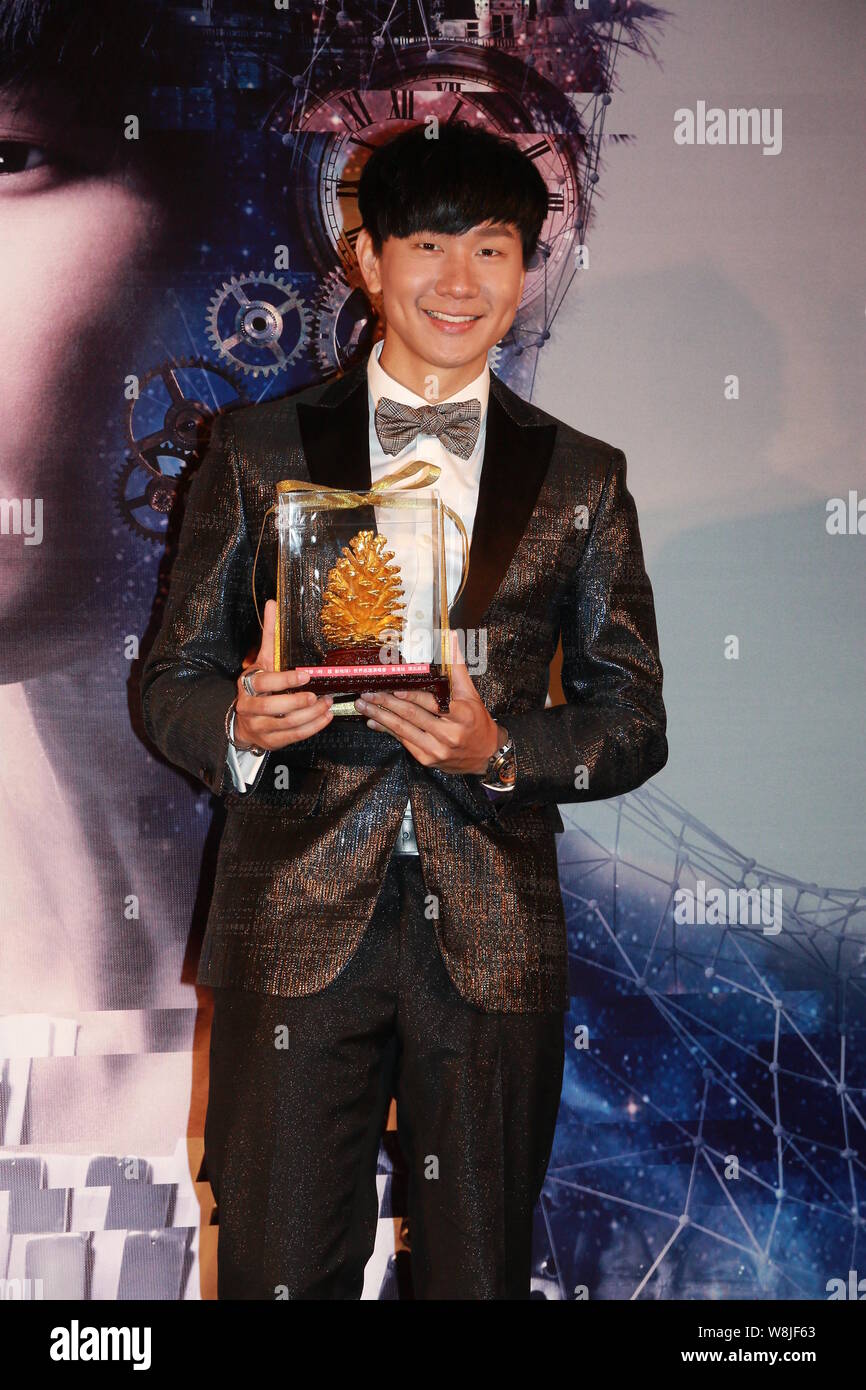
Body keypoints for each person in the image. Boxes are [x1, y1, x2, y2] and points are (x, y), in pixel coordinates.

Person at [140, 121, 668, 1300]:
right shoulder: (254, 445)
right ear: (365, 258)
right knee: (276, 1268)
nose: (458, 281)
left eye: (491, 249)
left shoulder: (582, 476)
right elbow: (169, 681)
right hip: (294, 920)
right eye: (426, 244)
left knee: (477, 1277)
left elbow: (632, 718)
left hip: (491, 931)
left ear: (525, 273)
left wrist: (502, 747)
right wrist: (239, 723)